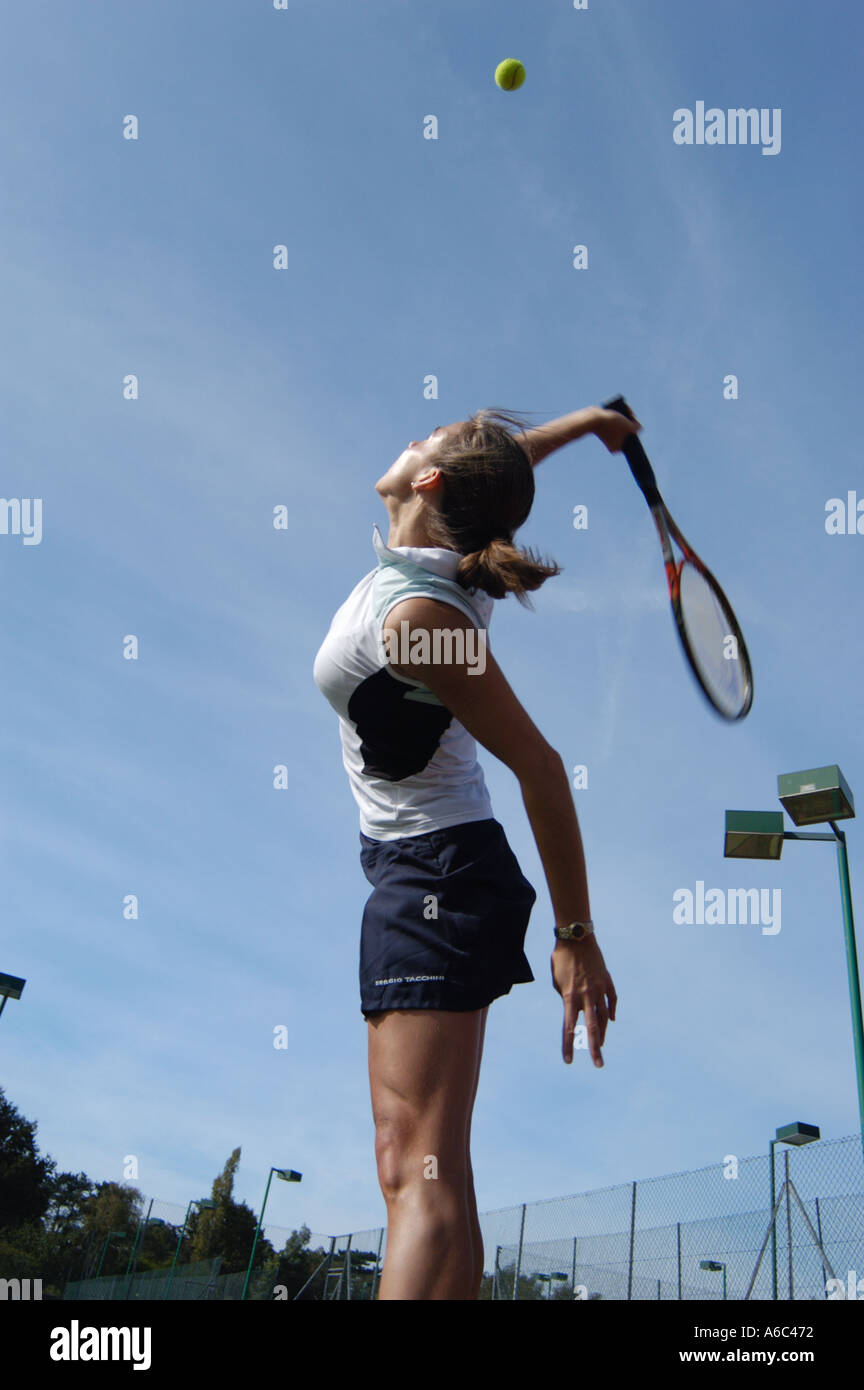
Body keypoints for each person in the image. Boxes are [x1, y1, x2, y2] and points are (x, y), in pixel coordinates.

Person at [313, 402, 642, 1300]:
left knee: (411, 1165)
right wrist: (591, 423)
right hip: (416, 867)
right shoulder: (444, 547)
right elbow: (495, 464)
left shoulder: (425, 614)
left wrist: (575, 930)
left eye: (428, 438)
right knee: (426, 1168)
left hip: (438, 874)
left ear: (429, 483)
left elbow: (540, 767)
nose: (414, 432)